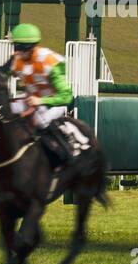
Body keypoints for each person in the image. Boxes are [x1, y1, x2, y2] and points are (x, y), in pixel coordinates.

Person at [7, 23, 91, 169]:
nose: (16, 52)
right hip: (31, 100)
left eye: (19, 48)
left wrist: (40, 100)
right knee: (2, 111)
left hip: (54, 102)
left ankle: (70, 141)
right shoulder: (17, 61)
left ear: (30, 47)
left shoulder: (50, 62)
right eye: (15, 47)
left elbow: (67, 97)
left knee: (41, 121)